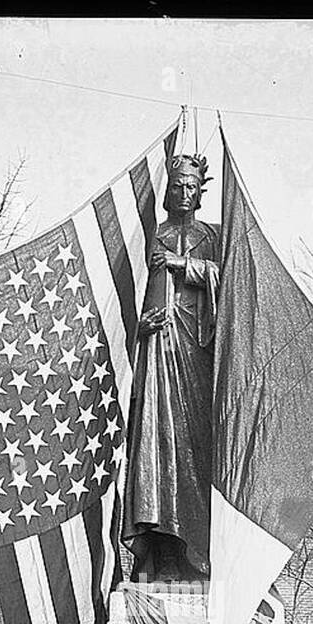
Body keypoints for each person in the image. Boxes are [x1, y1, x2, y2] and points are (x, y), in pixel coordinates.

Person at [122, 153, 220, 582]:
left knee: (191, 451)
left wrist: (183, 266)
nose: (182, 193)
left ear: (200, 194)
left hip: (195, 356)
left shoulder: (211, 237)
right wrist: (140, 325)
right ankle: (156, 552)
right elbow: (125, 298)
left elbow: (228, 279)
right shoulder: (149, 235)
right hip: (157, 353)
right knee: (153, 449)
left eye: (190, 187)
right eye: (176, 185)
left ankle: (192, 553)